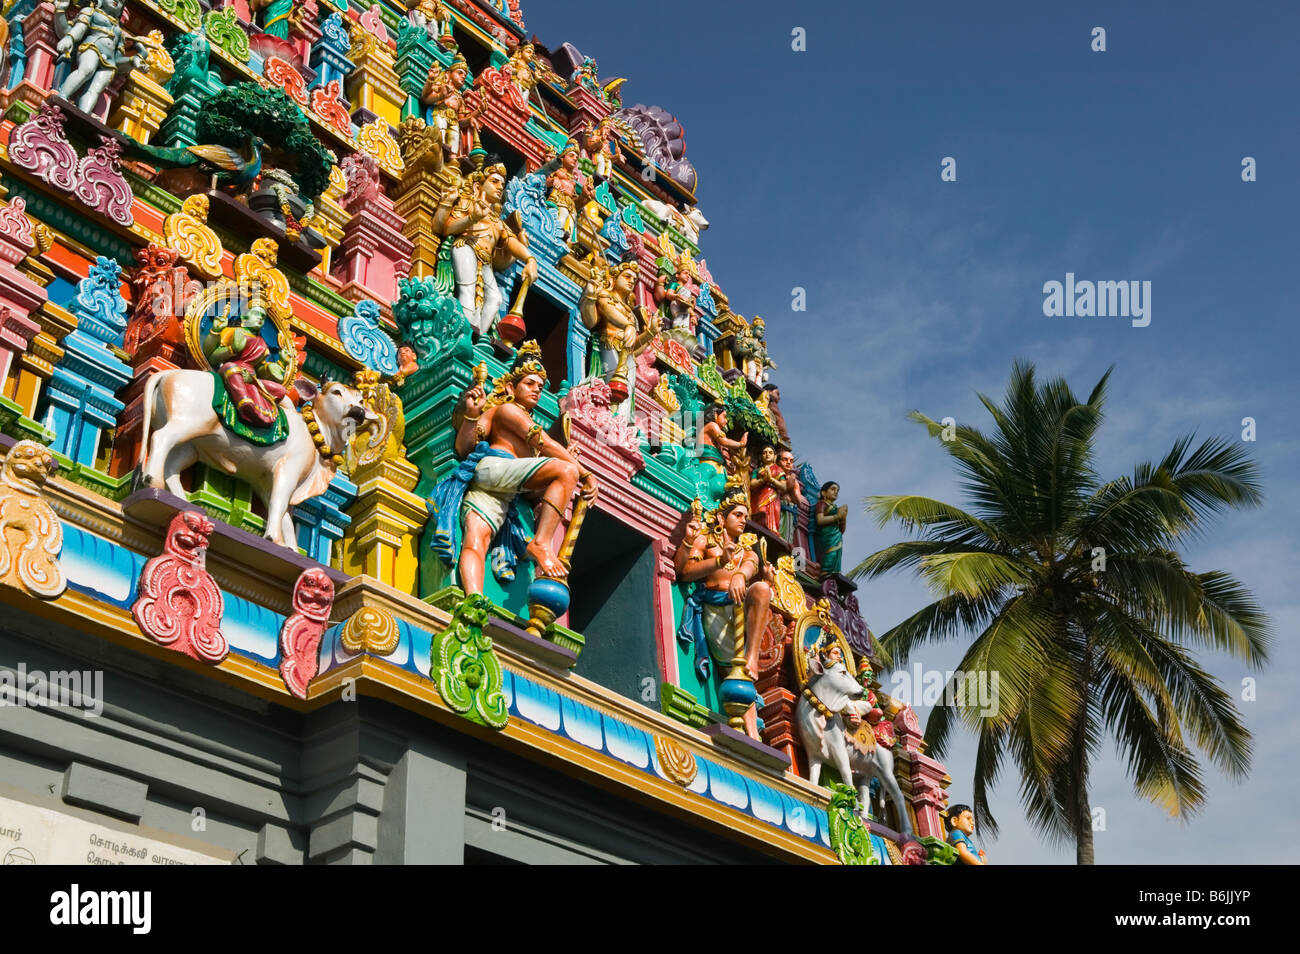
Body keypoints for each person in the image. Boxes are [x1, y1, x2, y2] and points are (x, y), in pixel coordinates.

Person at [428, 341, 597, 595]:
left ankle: (472, 599)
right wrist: (582, 472)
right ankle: (541, 543)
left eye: (540, 387)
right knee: (567, 471)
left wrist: (561, 468)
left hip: (502, 490)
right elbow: (466, 448)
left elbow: (531, 492)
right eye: (529, 383)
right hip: (493, 468)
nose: (536, 390)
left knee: (476, 540)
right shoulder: (507, 411)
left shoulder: (524, 431)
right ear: (510, 386)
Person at [674, 490, 772, 685]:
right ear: (721, 517)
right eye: (737, 515)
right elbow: (684, 572)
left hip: (739, 606)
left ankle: (752, 657)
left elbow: (749, 568)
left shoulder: (746, 551)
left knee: (761, 588)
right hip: (716, 607)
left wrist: (739, 575)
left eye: (745, 517)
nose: (743, 521)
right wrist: (719, 560)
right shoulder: (705, 541)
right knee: (736, 679)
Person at [433, 162, 537, 338]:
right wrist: (472, 218)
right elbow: (447, 228)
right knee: (467, 288)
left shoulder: (497, 221)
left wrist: (530, 259)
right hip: (466, 247)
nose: (499, 188)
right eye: (494, 182)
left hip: (486, 261)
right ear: (478, 185)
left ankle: (479, 337)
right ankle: (464, 331)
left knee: (495, 299)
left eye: (502, 185)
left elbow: (510, 241)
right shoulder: (468, 204)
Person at [201, 294, 288, 429]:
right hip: (231, 370)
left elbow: (260, 370)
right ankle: (245, 405)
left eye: (263, 316)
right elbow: (211, 357)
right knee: (232, 368)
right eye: (256, 314)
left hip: (250, 378)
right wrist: (231, 349)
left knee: (281, 390)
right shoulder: (232, 332)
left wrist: (280, 363)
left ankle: (258, 410)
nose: (260, 318)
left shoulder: (262, 344)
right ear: (244, 317)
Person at [749, 445, 785, 531]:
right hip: (760, 495)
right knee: (761, 511)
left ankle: (772, 530)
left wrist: (771, 480)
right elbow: (752, 484)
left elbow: (784, 486)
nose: (767, 454)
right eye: (764, 453)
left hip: (773, 497)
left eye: (770, 452)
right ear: (761, 457)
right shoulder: (757, 470)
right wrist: (763, 480)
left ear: (775, 457)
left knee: (774, 513)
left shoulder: (778, 470)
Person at [814, 480, 846, 575]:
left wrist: (843, 518)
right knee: (829, 554)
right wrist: (837, 517)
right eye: (833, 489)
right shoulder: (822, 504)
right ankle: (825, 571)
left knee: (836, 553)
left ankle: (835, 571)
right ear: (824, 492)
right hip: (826, 535)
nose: (836, 492)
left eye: (837, 490)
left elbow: (842, 530)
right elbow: (820, 520)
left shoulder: (836, 508)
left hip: (837, 536)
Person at [777, 449, 805, 542]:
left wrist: (791, 487)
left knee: (788, 536)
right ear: (778, 461)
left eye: (791, 461)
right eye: (785, 459)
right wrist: (788, 486)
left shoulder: (794, 481)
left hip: (790, 509)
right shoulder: (775, 474)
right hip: (777, 506)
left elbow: (798, 502)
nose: (788, 463)